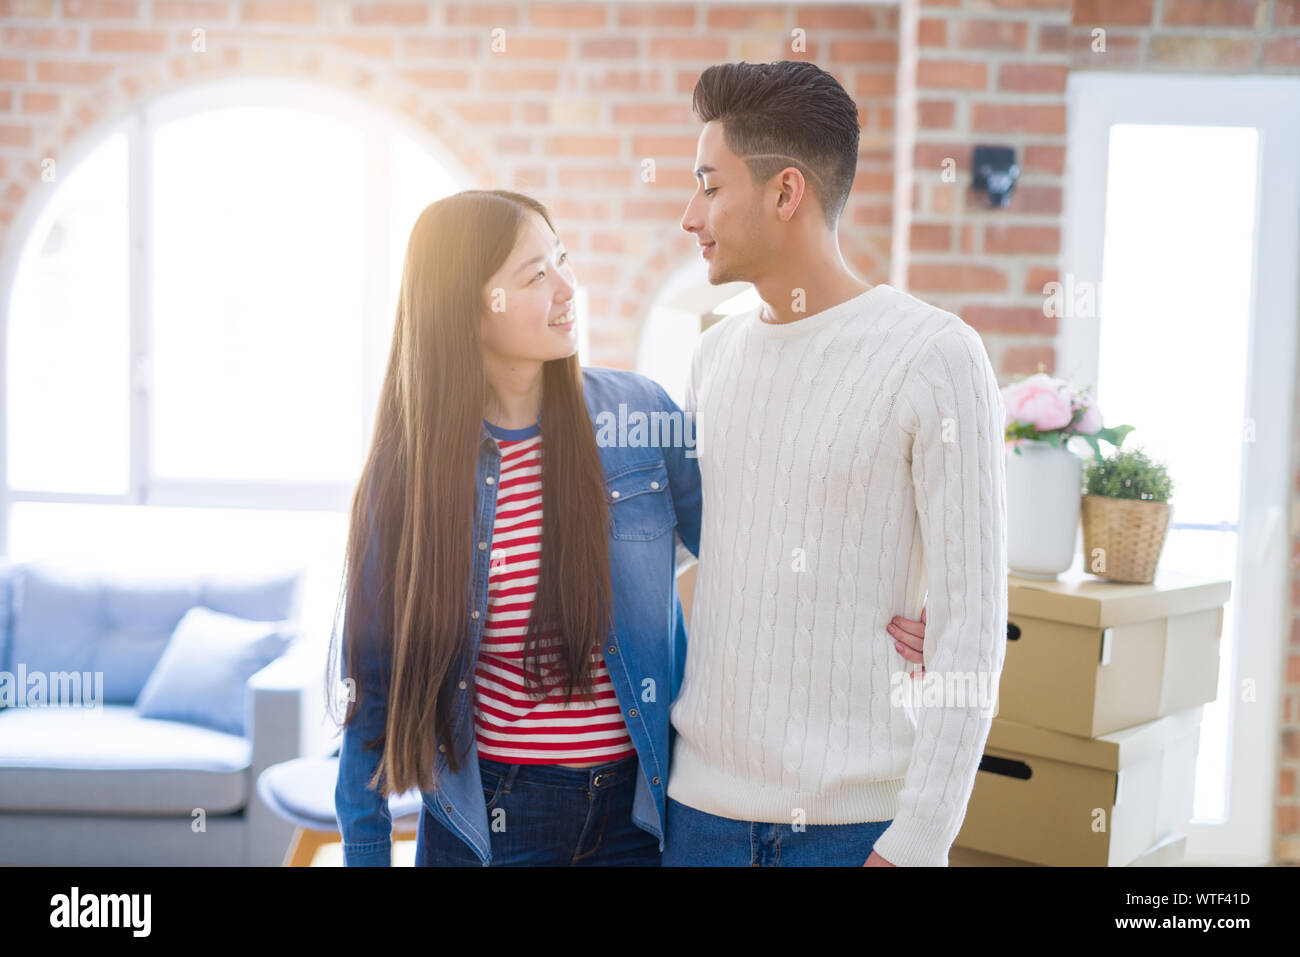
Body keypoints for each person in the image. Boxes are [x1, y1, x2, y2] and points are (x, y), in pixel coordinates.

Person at [663, 61, 1008, 868]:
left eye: (709, 186)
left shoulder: (936, 356)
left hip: (858, 834)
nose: (690, 215)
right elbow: (679, 551)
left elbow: (971, 628)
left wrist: (918, 841)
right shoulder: (713, 357)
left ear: (786, 194)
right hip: (697, 817)